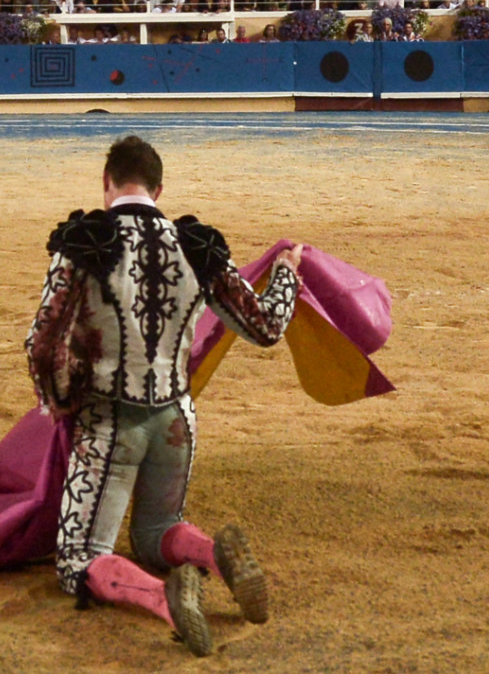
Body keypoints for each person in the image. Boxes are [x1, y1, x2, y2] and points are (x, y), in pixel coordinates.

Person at [25, 137, 304, 656]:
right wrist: (287, 271)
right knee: (157, 531)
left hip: (110, 423)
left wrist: (61, 404)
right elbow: (265, 326)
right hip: (177, 419)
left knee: (79, 558)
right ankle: (214, 557)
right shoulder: (195, 246)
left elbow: (42, 345)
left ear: (106, 184)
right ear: (159, 188)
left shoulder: (86, 243)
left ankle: (162, 596)